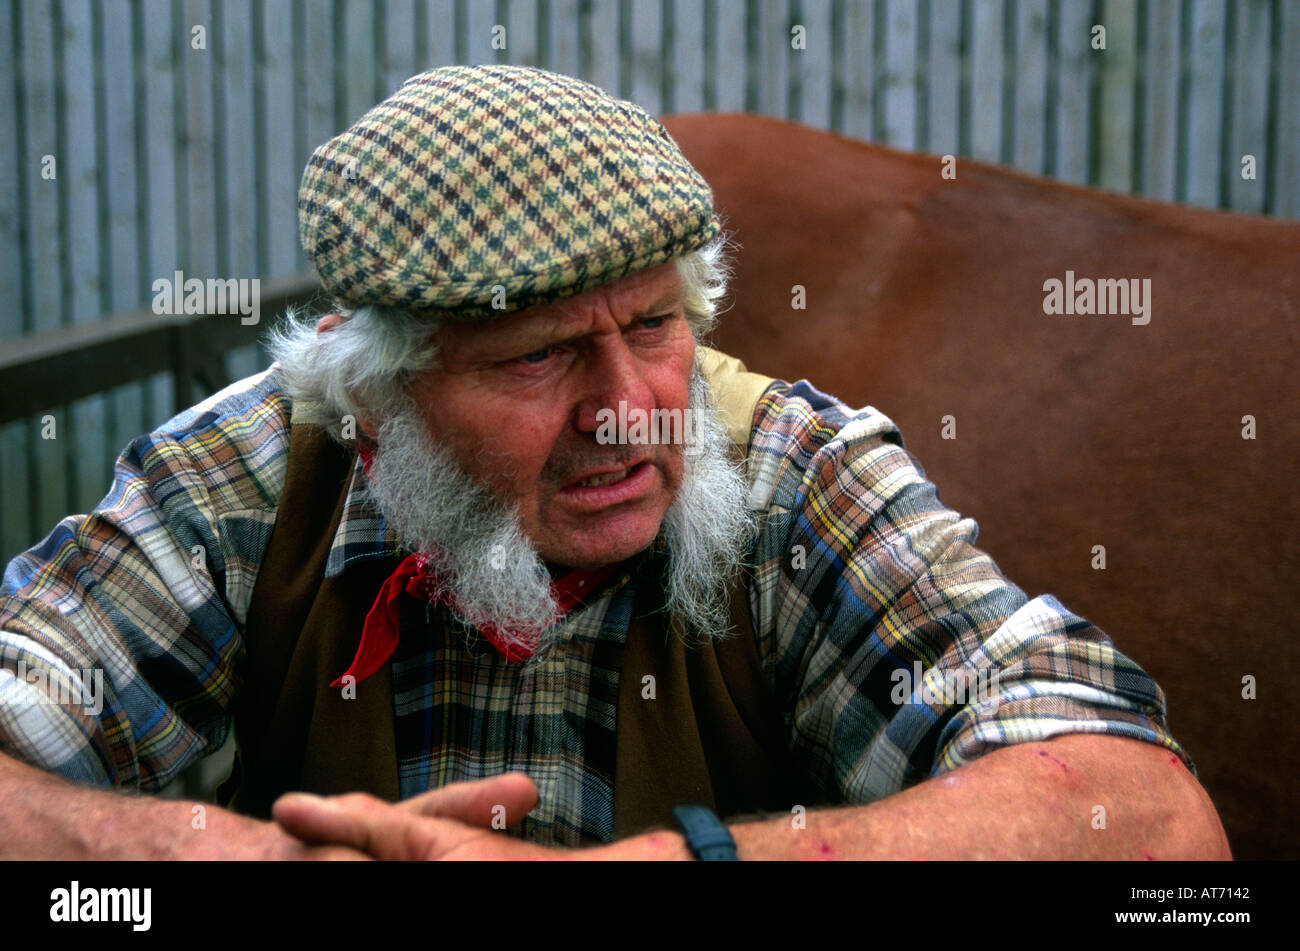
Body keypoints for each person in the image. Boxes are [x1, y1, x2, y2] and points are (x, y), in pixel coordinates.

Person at [0, 64, 1228, 860]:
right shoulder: (248, 477)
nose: (633, 412)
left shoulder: (792, 471)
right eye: (536, 360)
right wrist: (215, 857)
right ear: (375, 395)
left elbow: (1153, 822)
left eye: (653, 327)